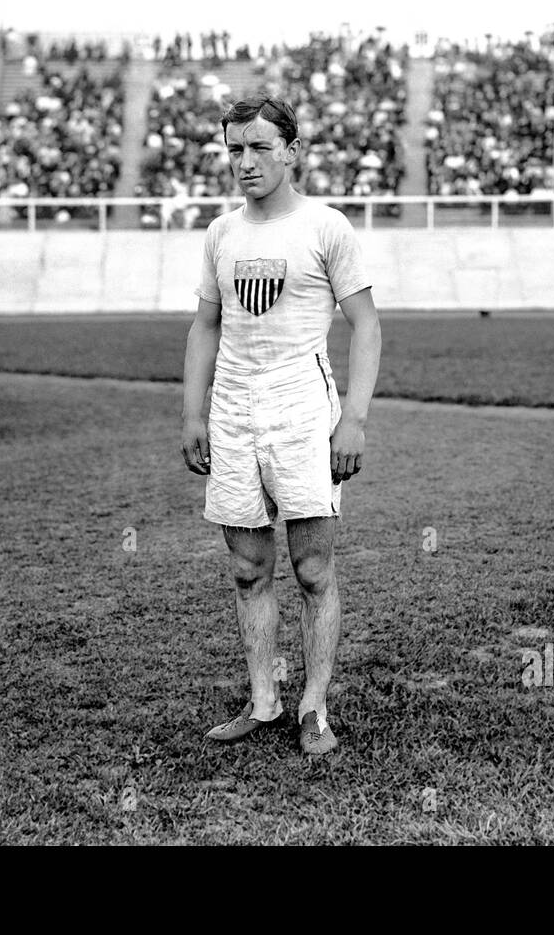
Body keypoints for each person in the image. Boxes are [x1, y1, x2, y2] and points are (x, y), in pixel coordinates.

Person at [180, 95, 381, 755]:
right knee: (246, 568)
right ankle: (264, 700)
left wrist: (352, 419)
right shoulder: (221, 232)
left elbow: (368, 326)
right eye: (235, 148)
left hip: (303, 417)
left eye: (261, 147)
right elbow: (205, 326)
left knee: (313, 570)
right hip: (235, 416)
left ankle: (313, 708)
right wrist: (194, 413)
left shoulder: (327, 228)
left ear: (293, 152)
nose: (245, 161)